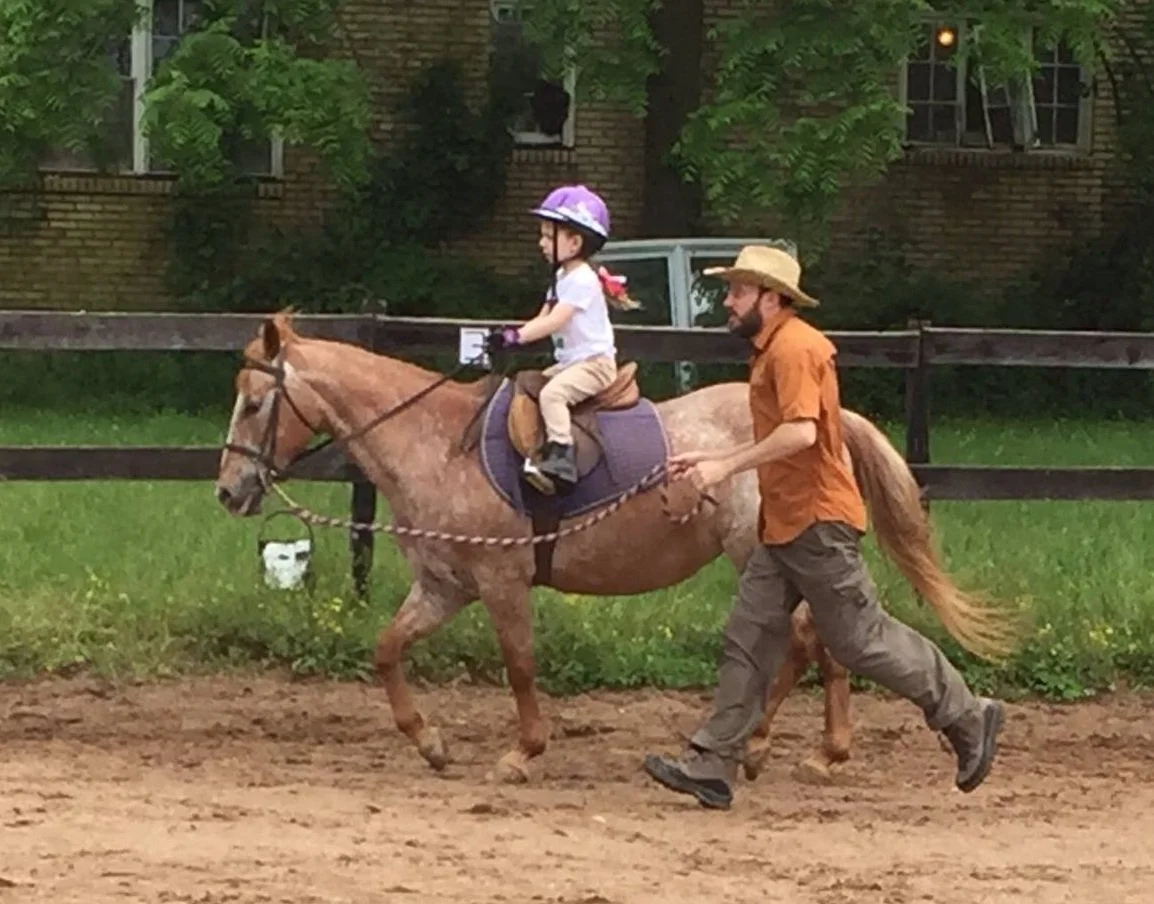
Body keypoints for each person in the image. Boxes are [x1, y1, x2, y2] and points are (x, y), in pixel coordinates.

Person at [641, 244, 1005, 810]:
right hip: (784, 525)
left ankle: (967, 715)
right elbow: (781, 435)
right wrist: (720, 458)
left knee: (860, 640)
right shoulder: (770, 352)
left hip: (817, 523)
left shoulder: (796, 349)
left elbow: (802, 434)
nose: (728, 301)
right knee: (749, 637)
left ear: (771, 297)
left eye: (738, 291)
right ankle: (713, 765)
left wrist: (722, 466)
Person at [486, 184, 639, 495]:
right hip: (572, 361)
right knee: (531, 384)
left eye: (548, 236)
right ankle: (537, 449)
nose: (541, 243)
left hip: (594, 365)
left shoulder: (582, 278)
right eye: (542, 235)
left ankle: (561, 459)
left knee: (552, 395)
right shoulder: (561, 278)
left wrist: (517, 337)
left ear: (575, 242)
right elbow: (543, 316)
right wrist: (509, 336)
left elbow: (556, 320)